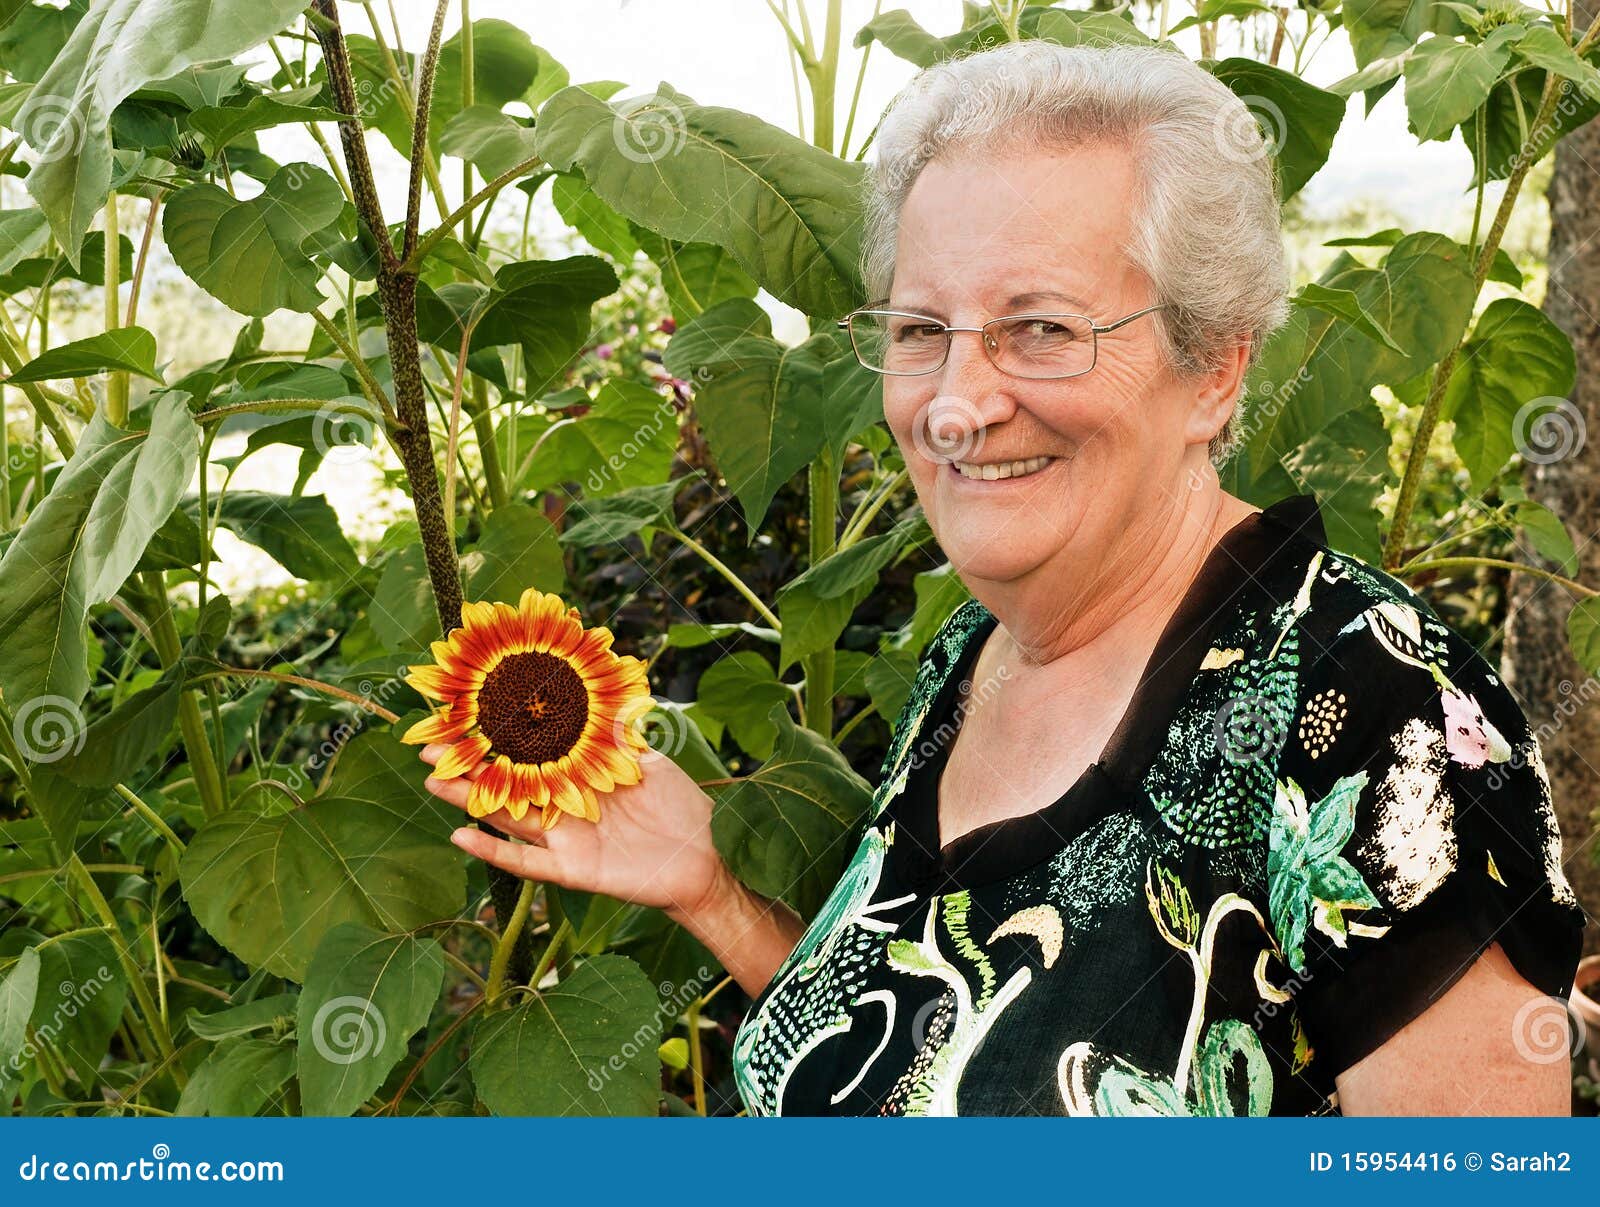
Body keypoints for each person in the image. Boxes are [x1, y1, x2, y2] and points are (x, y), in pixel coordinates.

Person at [420, 39, 1588, 1116]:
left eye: (1041, 329)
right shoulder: (971, 661)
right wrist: (713, 892)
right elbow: (941, 1067)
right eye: (920, 329)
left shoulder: (1371, 705)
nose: (954, 406)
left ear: (1215, 370)